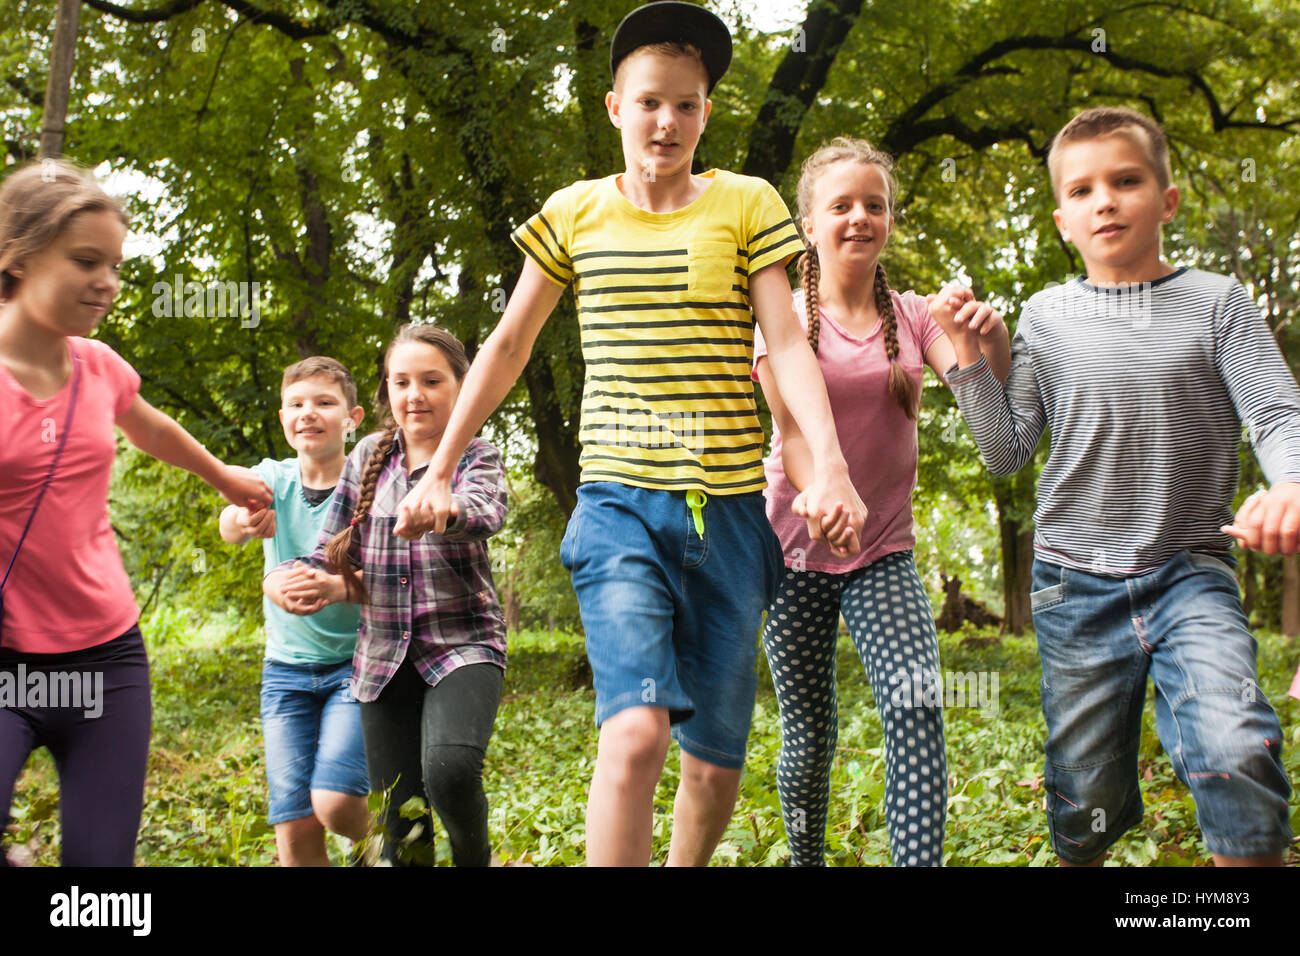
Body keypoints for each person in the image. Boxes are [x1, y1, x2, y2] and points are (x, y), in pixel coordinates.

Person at [386, 2, 868, 866]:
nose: (667, 121)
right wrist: (441, 468)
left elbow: (788, 341)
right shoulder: (575, 214)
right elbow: (506, 345)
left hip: (728, 517)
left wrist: (826, 468)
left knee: (715, 769)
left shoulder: (748, 204)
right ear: (615, 107)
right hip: (617, 509)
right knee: (638, 731)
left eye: (686, 105)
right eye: (649, 102)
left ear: (706, 113)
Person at [945, 106, 1300, 866]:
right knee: (1086, 804)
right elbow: (1008, 452)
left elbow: (1274, 411)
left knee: (1236, 751)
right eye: (1083, 190)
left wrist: (1293, 484)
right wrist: (969, 360)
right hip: (1073, 588)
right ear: (1061, 219)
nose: (1104, 199)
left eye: (1126, 181)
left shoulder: (1218, 302)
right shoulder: (1046, 315)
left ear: (1167, 200)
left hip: (1190, 573)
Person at [0, 158, 270, 866]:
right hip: (6, 661)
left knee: (100, 885)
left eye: (114, 265)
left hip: (105, 660)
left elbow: (149, 427)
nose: (107, 282)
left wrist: (224, 478)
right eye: (85, 260)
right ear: (18, 258)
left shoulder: (97, 367)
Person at [754, 136, 1011, 866]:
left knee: (916, 702)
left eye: (875, 204)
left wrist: (983, 344)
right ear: (810, 223)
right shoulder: (779, 319)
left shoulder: (915, 315)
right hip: (793, 549)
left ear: (890, 220)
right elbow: (793, 434)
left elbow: (988, 418)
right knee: (808, 731)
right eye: (841, 206)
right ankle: (807, 859)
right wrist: (825, 499)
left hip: (884, 550)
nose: (859, 217)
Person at [263, 324, 507, 867]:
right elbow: (333, 549)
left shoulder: (476, 456)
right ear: (388, 391)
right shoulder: (370, 455)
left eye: (430, 381)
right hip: (381, 658)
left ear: (461, 387)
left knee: (450, 771)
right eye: (401, 382)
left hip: (462, 643)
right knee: (400, 817)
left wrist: (444, 508)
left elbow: (487, 511)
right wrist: (284, 576)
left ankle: (476, 858)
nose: (413, 394)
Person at [218, 356, 369, 866]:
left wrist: (335, 586)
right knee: (295, 819)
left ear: (353, 418)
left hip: (358, 667)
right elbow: (228, 523)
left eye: (325, 403)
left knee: (337, 800)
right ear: (283, 418)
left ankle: (382, 843)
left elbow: (402, 577)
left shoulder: (369, 488)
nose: (309, 413)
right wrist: (243, 518)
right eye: (297, 404)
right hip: (285, 674)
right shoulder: (272, 478)